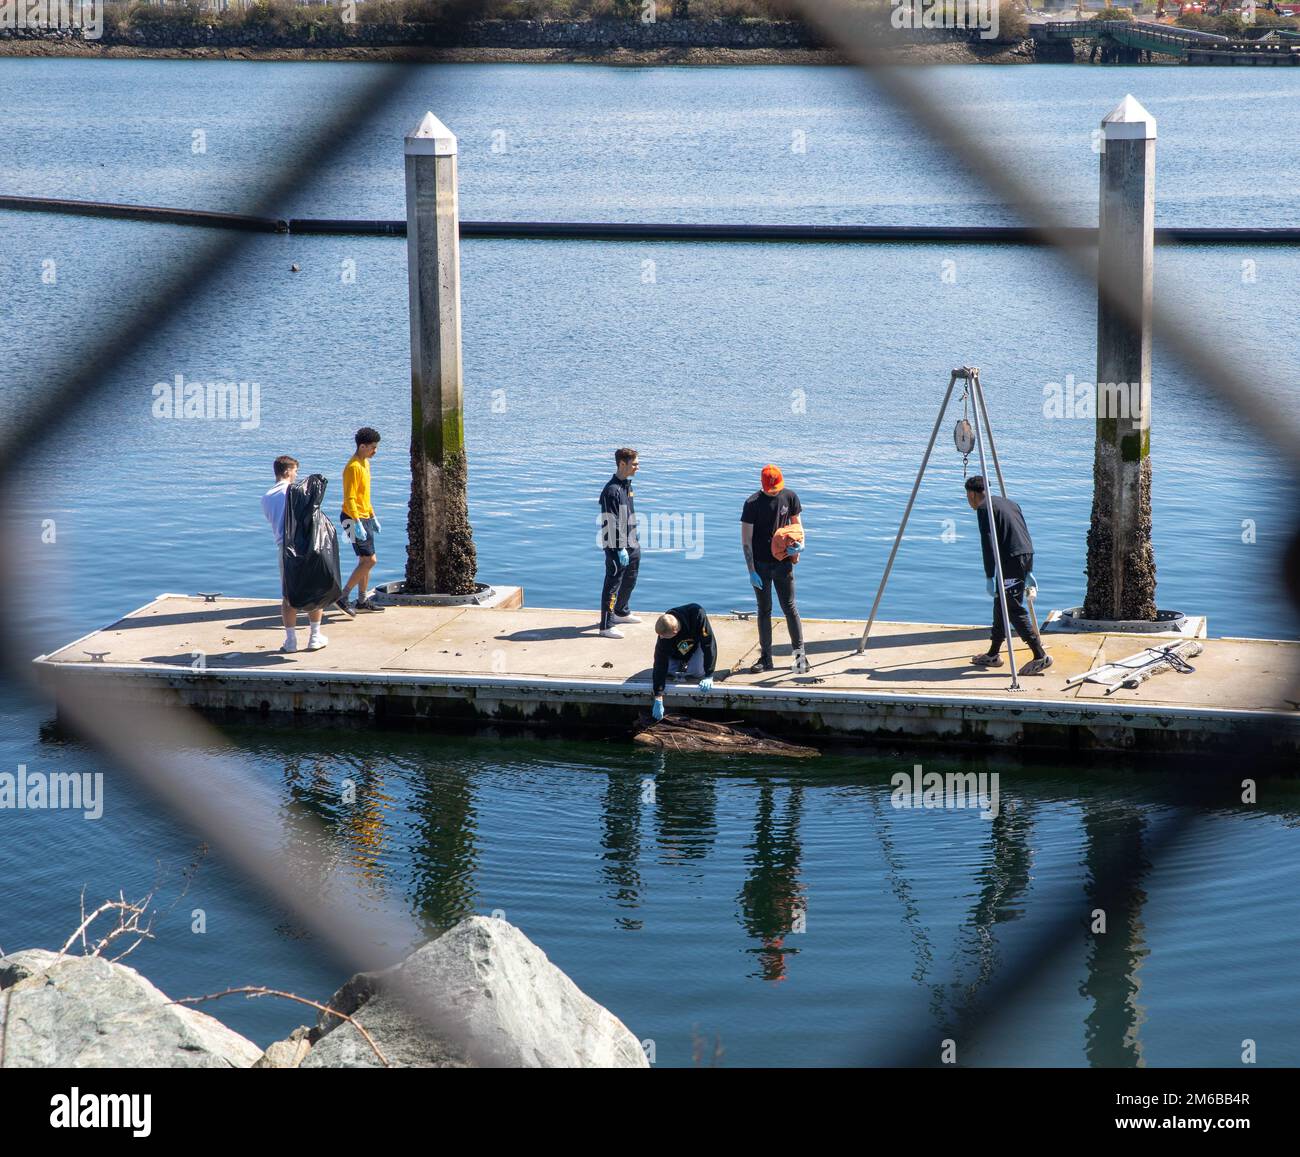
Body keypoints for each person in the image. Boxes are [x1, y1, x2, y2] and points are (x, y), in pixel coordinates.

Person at [964, 475, 1052, 674]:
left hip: (1011, 561)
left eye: (967, 497)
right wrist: (1029, 568)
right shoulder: (1009, 503)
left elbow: (988, 545)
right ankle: (993, 654)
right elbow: (1024, 533)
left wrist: (989, 574)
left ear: (972, 494)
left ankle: (1040, 656)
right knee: (1000, 603)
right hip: (1023, 554)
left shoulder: (984, 508)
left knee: (1012, 608)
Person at [740, 464, 808, 675]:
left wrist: (800, 544)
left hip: (783, 562)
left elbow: (797, 526)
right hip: (760, 564)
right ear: (763, 485)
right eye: (771, 488)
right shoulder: (752, 503)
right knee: (764, 610)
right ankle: (765, 658)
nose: (774, 491)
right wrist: (751, 570)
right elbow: (746, 540)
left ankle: (800, 657)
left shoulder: (790, 496)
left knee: (789, 607)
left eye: (777, 487)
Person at [261, 455, 326, 653]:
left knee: (289, 595)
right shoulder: (293, 492)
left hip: (283, 550)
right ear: (288, 471)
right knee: (314, 591)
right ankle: (315, 636)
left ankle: (290, 641)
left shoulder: (266, 498)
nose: (296, 475)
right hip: (305, 547)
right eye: (295, 471)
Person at [337, 426, 384, 615]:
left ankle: (362, 600)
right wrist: (356, 522)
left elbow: (364, 495)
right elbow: (349, 498)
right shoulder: (353, 467)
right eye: (373, 447)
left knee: (364, 560)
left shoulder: (366, 464)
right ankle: (343, 595)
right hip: (350, 518)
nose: (375, 451)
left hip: (364, 516)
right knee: (370, 560)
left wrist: (372, 516)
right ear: (362, 446)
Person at [597, 447, 641, 639]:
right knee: (613, 583)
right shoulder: (611, 490)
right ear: (622, 464)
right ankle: (606, 625)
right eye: (634, 464)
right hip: (617, 546)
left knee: (630, 579)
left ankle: (621, 612)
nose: (637, 467)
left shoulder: (626, 486)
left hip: (632, 542)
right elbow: (610, 521)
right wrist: (620, 547)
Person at [650, 604, 717, 721]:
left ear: (675, 631)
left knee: (698, 673)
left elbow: (709, 644)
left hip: (696, 646)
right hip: (676, 652)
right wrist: (658, 697)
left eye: (664, 636)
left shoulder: (697, 615)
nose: (660, 638)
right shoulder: (663, 631)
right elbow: (659, 663)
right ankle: (680, 666)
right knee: (665, 671)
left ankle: (688, 667)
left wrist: (709, 674)